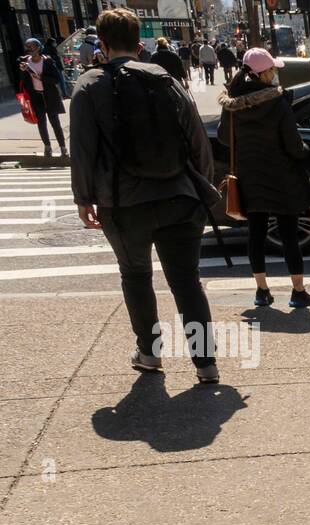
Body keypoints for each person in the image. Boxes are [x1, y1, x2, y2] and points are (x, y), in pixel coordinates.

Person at [70, 8, 221, 383]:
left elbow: (83, 149)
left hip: (122, 203)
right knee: (186, 280)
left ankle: (150, 354)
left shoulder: (88, 86)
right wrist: (201, 184)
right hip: (179, 195)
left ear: (101, 46)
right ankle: (206, 364)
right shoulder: (165, 79)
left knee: (136, 276)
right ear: (140, 44)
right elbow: (197, 140)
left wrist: (83, 198)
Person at [218, 47, 310, 309]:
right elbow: (294, 146)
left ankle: (262, 291)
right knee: (288, 235)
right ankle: (298, 292)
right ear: (264, 73)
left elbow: (223, 137)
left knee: (256, 234)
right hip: (282, 177)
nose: (275, 74)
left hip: (249, 177)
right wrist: (308, 151)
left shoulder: (231, 103)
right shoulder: (277, 102)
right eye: (273, 69)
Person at [18, 38, 67, 157]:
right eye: (28, 46)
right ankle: (47, 147)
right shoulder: (25, 62)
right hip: (36, 97)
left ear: (39, 47)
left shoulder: (47, 61)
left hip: (50, 95)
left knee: (55, 122)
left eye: (33, 46)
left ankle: (63, 147)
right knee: (41, 123)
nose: (30, 49)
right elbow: (24, 82)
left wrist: (41, 78)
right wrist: (23, 71)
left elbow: (56, 79)